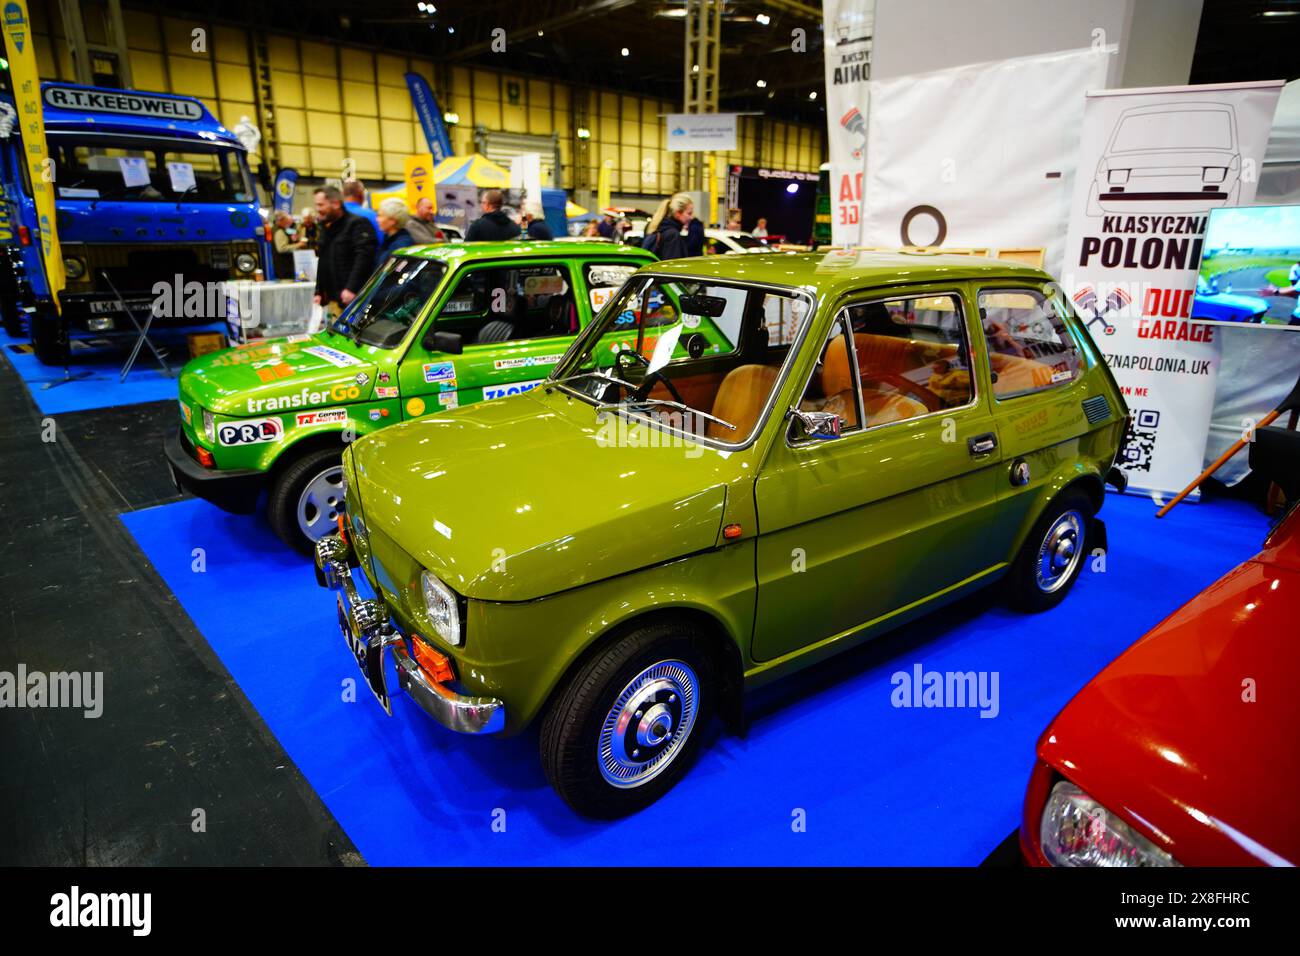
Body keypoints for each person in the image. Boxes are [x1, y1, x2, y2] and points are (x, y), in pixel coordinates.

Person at [312, 185, 377, 314]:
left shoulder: (357, 224)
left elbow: (364, 257)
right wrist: (319, 291)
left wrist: (351, 288)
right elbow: (323, 260)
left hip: (352, 299)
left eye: (321, 205)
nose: (317, 209)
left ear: (336, 204)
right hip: (333, 299)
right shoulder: (326, 227)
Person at [641, 193, 693, 260]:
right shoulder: (672, 235)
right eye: (689, 213)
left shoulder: (654, 227)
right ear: (678, 213)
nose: (691, 217)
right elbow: (672, 266)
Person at [374, 197, 416, 269]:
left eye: (380, 216)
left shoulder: (401, 245)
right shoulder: (389, 238)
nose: (377, 219)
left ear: (392, 221)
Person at [271, 210, 307, 279]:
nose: (289, 222)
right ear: (281, 220)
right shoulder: (279, 231)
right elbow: (281, 248)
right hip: (284, 268)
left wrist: (296, 234)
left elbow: (293, 232)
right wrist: (299, 245)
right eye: (287, 220)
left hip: (283, 267)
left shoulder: (281, 229)